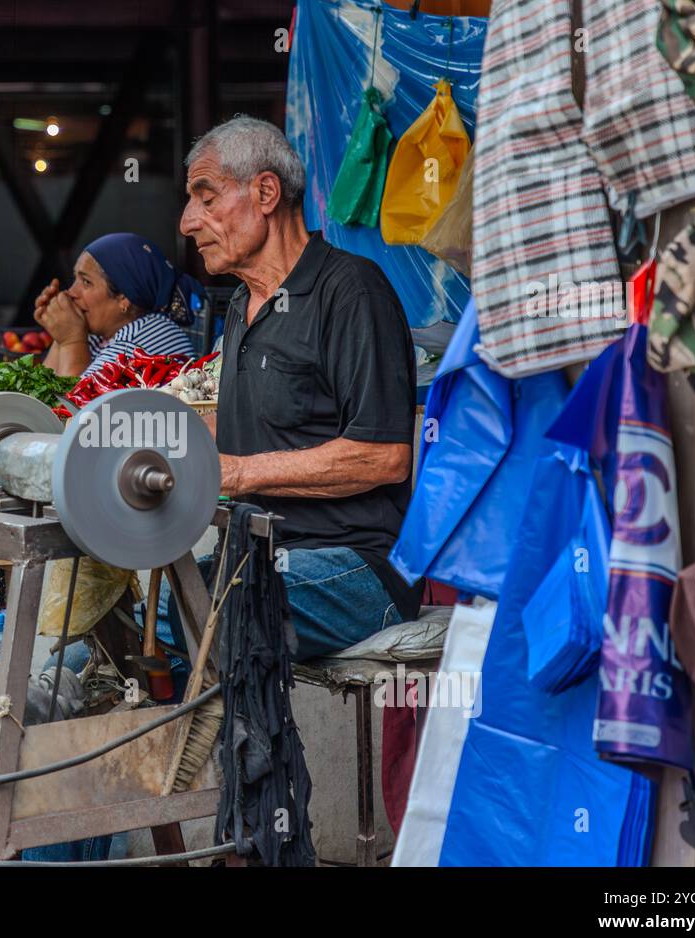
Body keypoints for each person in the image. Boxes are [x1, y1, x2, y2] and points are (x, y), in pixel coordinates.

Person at [169, 115, 423, 661]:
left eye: (205, 198)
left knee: (200, 610)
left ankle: (237, 749)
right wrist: (143, 436)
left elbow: (384, 456)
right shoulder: (241, 304)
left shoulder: (352, 292)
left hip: (357, 569)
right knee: (150, 603)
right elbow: (252, 426)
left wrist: (235, 473)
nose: (188, 222)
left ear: (265, 192)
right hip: (262, 551)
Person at [33, 232, 200, 378]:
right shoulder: (102, 335)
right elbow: (42, 398)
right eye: (74, 279)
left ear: (123, 297)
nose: (70, 292)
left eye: (86, 282)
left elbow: (71, 409)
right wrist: (60, 328)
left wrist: (70, 340)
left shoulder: (139, 340)